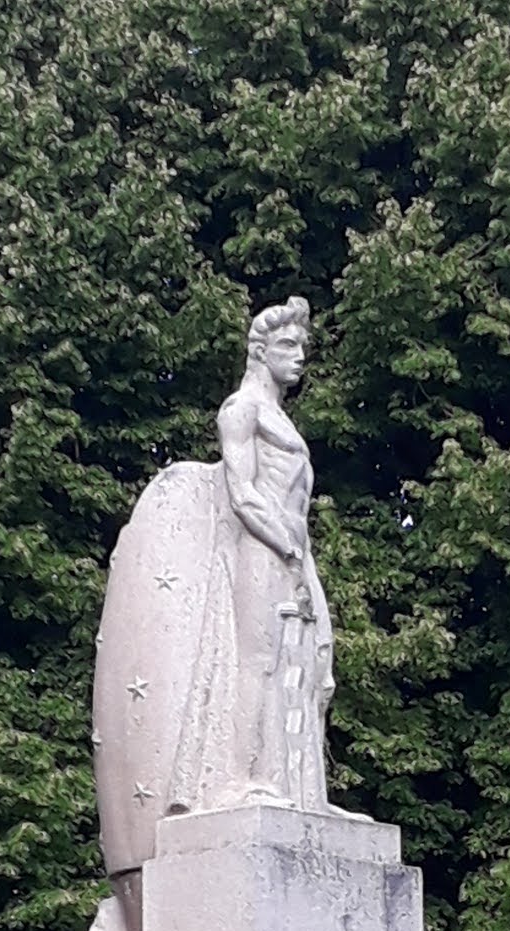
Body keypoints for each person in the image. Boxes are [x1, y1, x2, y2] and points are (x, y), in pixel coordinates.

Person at [168, 297, 341, 814]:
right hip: (263, 550)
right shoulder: (241, 409)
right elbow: (243, 494)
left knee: (313, 670)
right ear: (260, 351)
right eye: (288, 345)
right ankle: (243, 779)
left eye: (302, 345)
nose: (299, 355)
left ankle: (306, 792)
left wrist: (301, 558)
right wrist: (287, 547)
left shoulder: (279, 417)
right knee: (260, 663)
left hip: (293, 553)